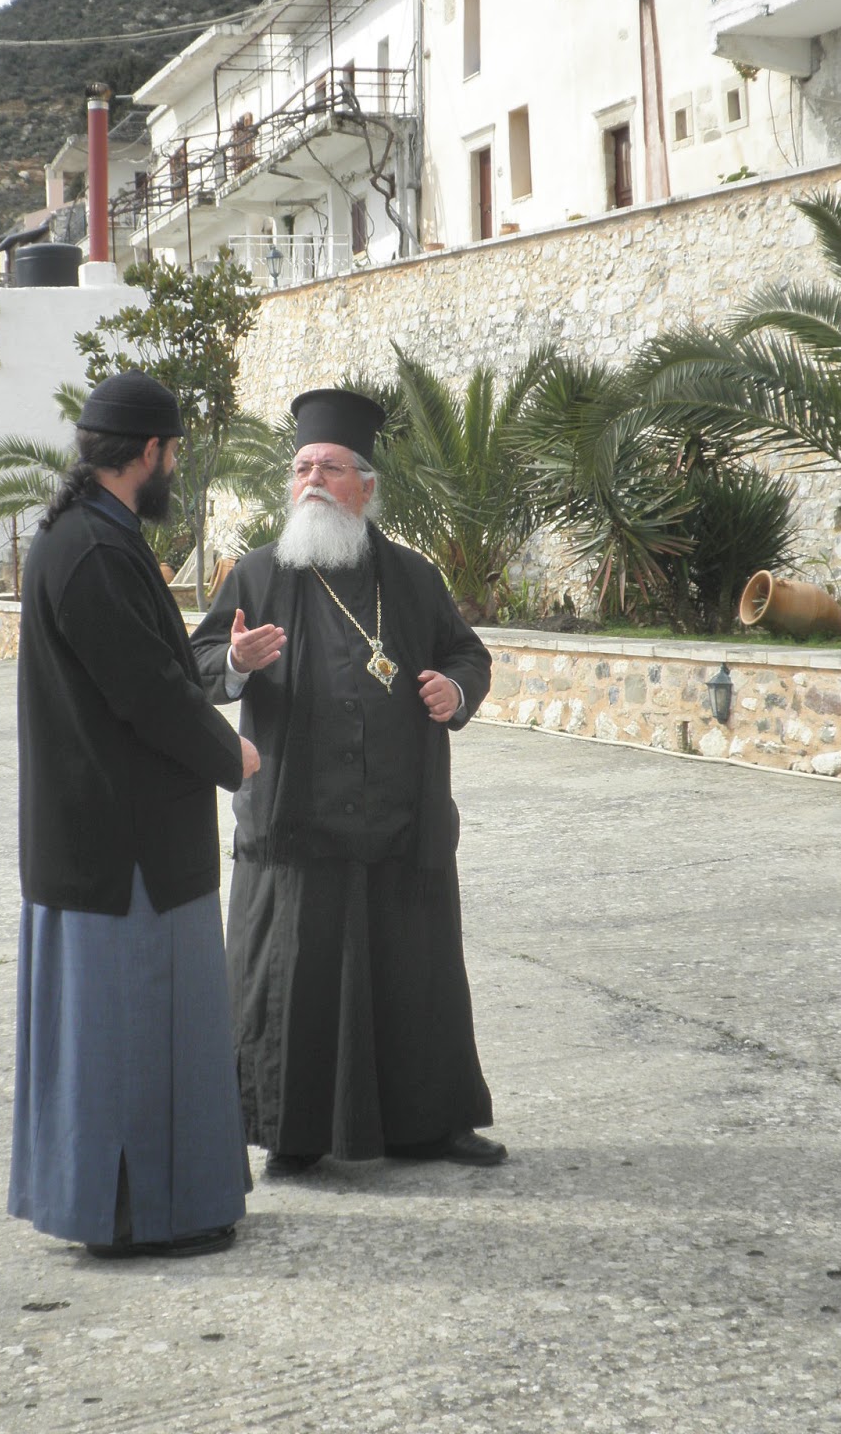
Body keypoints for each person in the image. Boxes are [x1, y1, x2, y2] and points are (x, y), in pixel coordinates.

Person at [190, 387, 505, 1175]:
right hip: (299, 821)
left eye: (330, 468)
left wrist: (456, 690)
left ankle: (430, 1125)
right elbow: (194, 667)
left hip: (402, 820)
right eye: (301, 468)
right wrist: (236, 662)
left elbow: (468, 653)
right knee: (296, 986)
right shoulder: (257, 577)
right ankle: (293, 1136)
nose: (312, 482)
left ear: (365, 484)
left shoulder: (410, 576)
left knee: (415, 976)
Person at [8, 370, 260, 1258]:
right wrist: (233, 755)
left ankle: (151, 1206)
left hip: (107, 843)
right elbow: (148, 693)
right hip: (125, 859)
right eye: (173, 455)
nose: (174, 472)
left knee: (129, 1035)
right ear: (147, 454)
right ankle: (138, 1217)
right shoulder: (94, 550)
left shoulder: (85, 538)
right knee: (132, 1033)